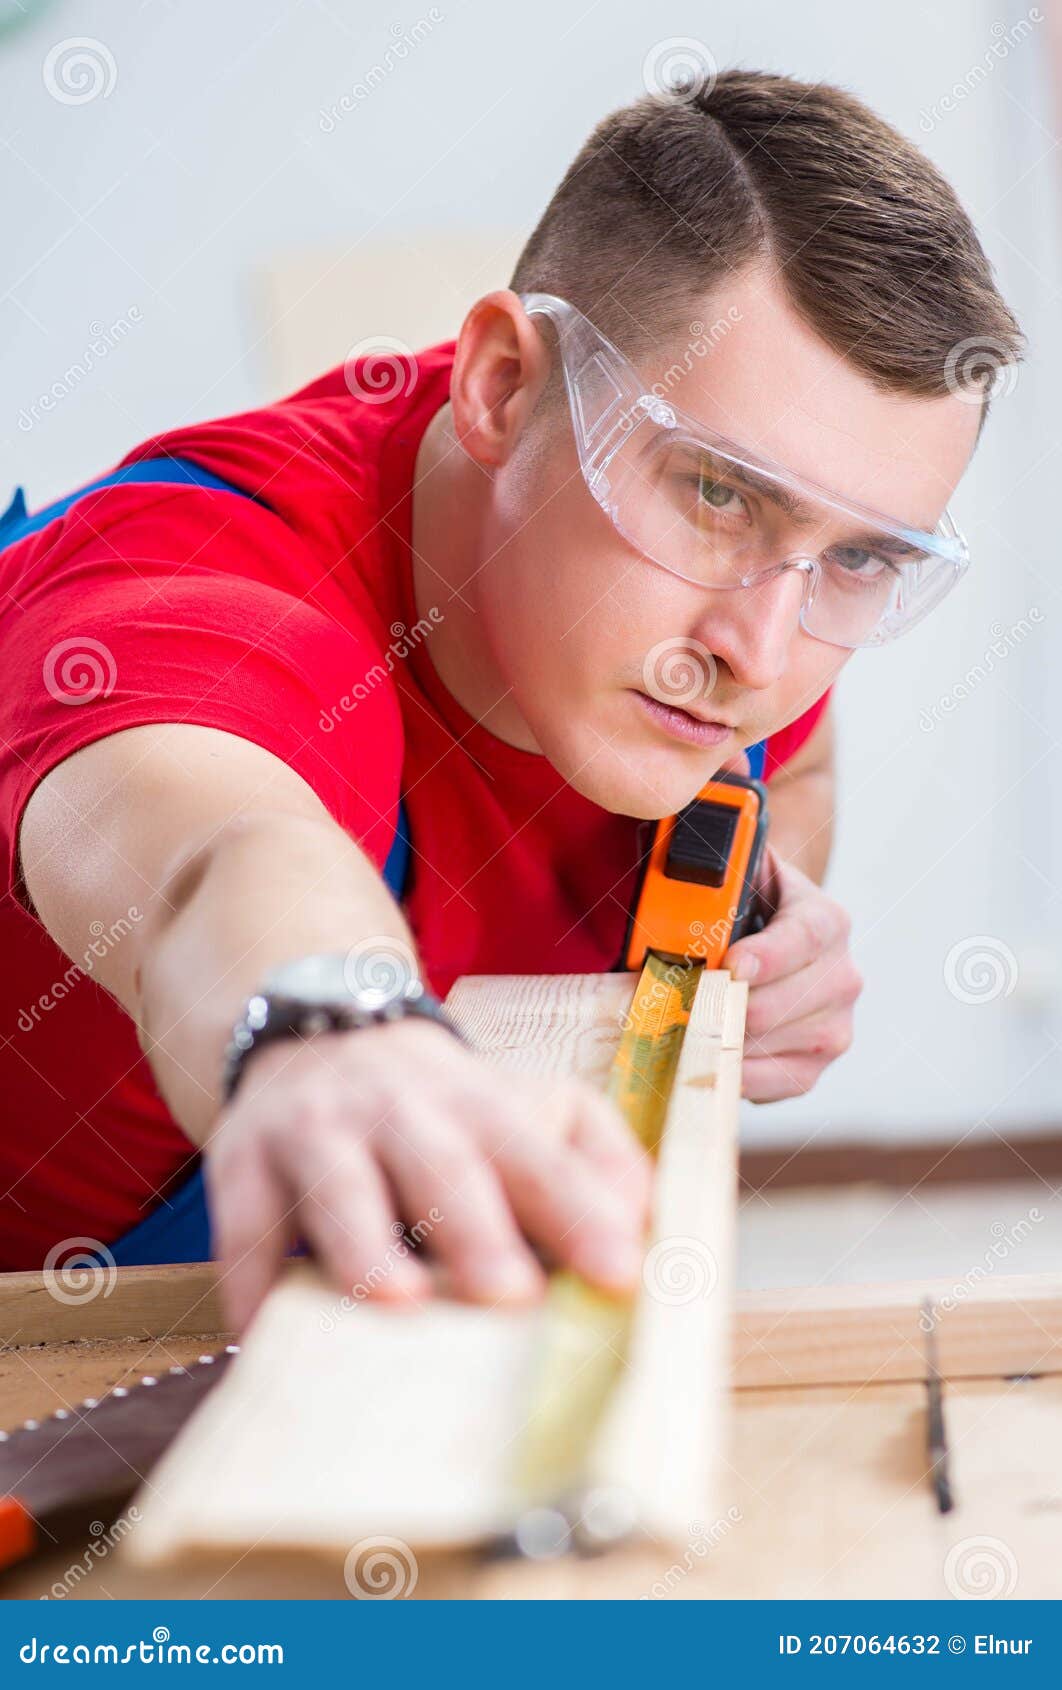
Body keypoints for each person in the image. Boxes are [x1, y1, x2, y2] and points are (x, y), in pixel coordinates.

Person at [1, 72, 1021, 1327]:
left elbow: (793, 763)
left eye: (858, 557)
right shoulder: (201, 584)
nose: (762, 654)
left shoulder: (710, 619)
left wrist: (766, 907)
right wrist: (332, 1023)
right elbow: (220, 848)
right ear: (498, 385)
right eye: (717, 494)